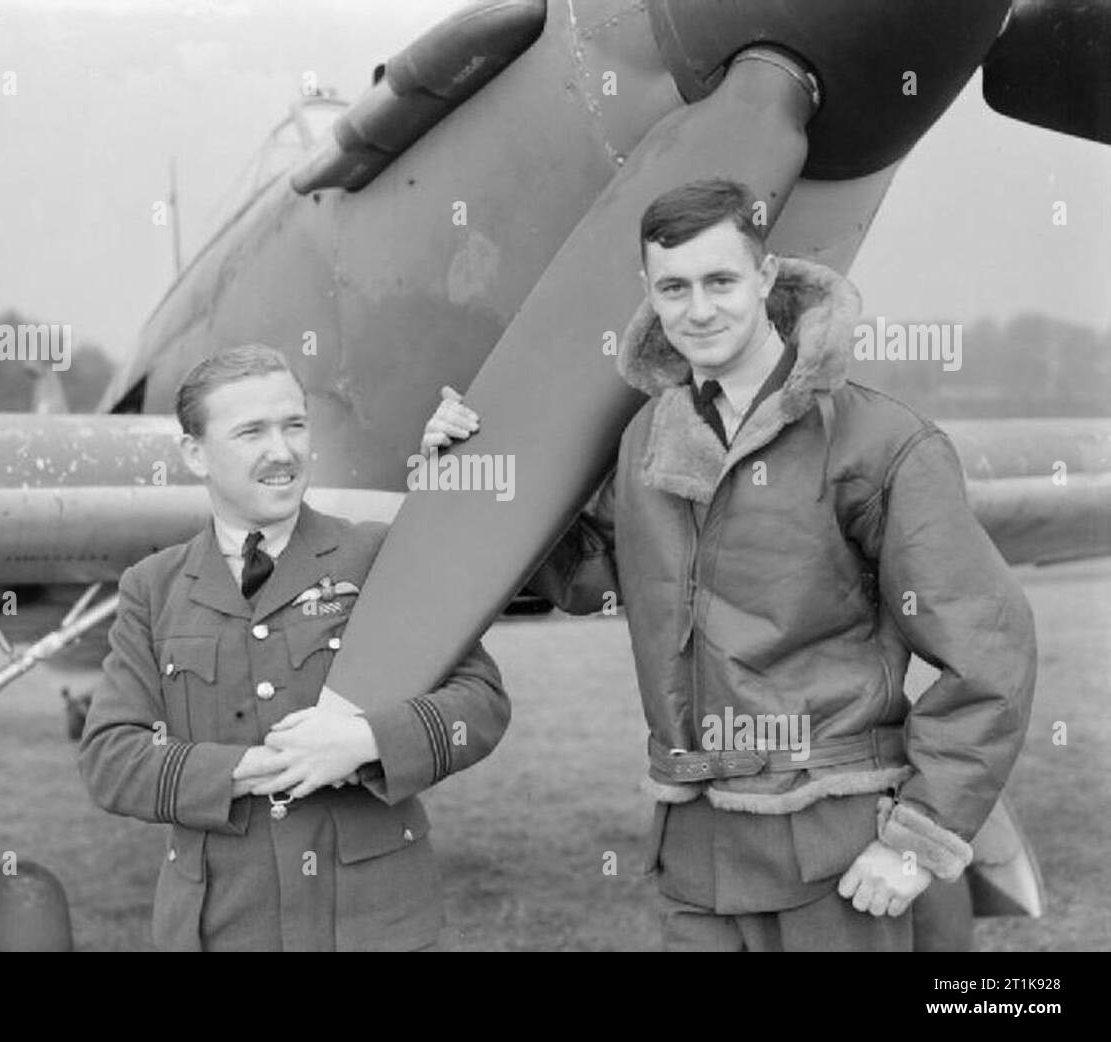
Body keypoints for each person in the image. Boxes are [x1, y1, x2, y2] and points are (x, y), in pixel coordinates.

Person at [422, 179, 1036, 952]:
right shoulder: (648, 437)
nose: (699, 310)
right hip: (696, 849)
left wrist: (918, 838)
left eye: (720, 281)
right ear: (648, 294)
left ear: (768, 277)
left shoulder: (880, 442)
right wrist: (470, 478)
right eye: (674, 288)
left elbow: (988, 649)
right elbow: (587, 576)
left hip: (839, 845)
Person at [80, 344, 509, 952]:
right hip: (223, 925)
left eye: (294, 426)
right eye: (251, 431)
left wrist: (363, 743)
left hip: (374, 926)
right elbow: (111, 757)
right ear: (194, 453)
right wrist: (242, 770)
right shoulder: (153, 588)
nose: (281, 452)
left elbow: (480, 702)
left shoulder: (377, 555)